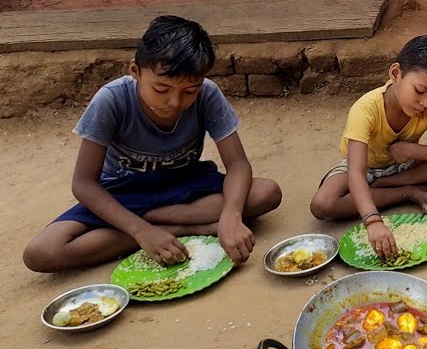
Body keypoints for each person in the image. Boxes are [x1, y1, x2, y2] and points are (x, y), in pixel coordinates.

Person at [22, 16, 282, 273]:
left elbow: (237, 164)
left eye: (189, 91)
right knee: (42, 252)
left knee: (265, 193)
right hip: (124, 193)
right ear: (135, 71)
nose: (174, 102)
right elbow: (83, 183)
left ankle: (154, 224)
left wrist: (231, 216)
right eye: (161, 89)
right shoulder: (112, 99)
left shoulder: (207, 94)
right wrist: (140, 231)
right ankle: (180, 229)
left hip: (184, 184)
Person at [309, 35, 427, 258]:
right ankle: (406, 193)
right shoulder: (366, 109)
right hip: (363, 168)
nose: (425, 104)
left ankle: (383, 185)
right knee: (323, 204)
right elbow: (356, 171)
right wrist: (373, 221)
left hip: (403, 167)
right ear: (396, 73)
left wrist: (411, 150)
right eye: (419, 91)